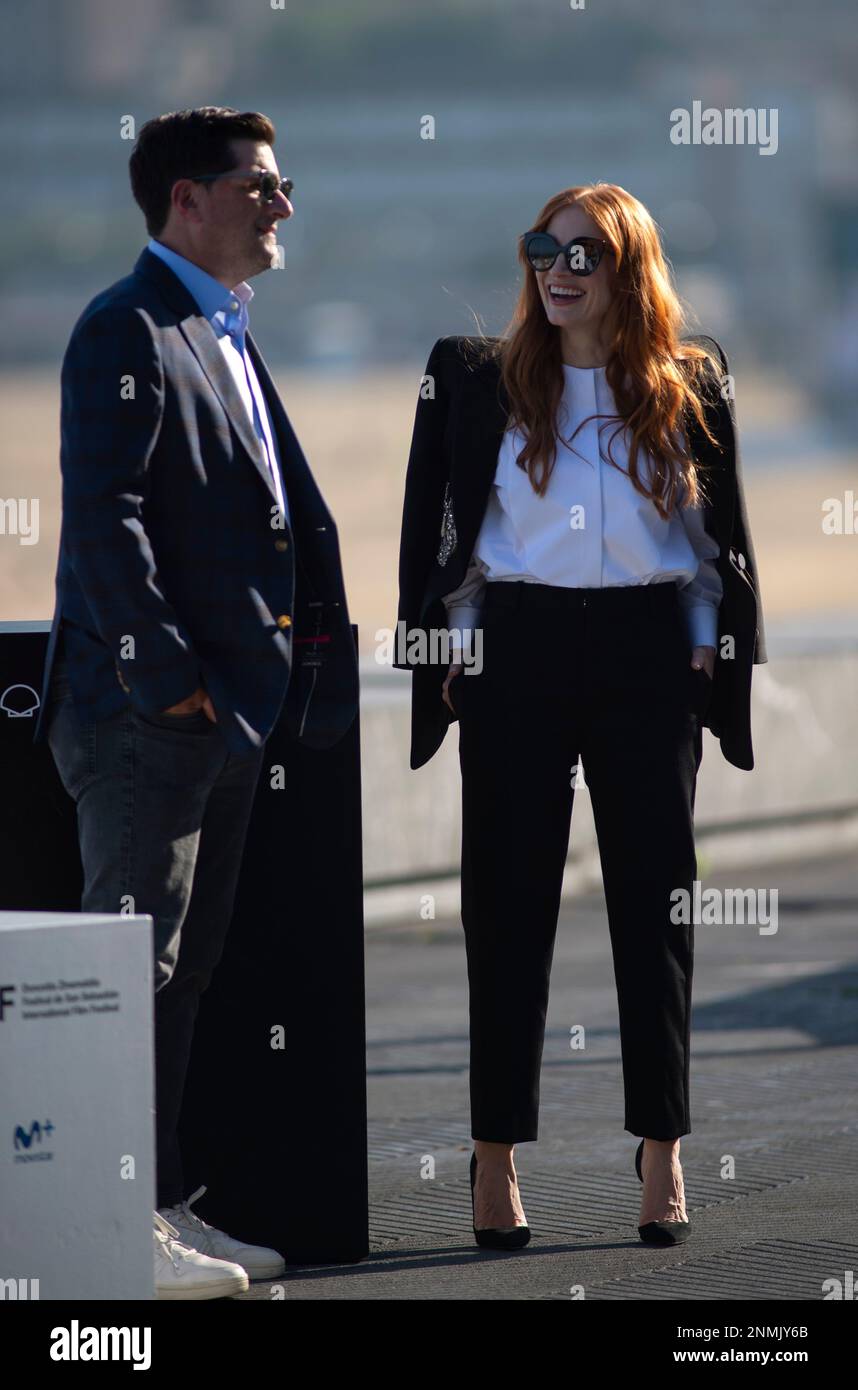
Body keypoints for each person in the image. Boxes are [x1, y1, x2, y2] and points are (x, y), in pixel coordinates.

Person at [396, 182, 766, 1250]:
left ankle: (662, 1147)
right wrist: (456, 644)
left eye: (583, 255)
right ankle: (496, 1154)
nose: (557, 271)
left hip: (651, 658)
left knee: (659, 910)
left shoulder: (689, 381)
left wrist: (703, 631)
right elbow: (446, 525)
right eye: (542, 250)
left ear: (628, 271)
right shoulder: (476, 376)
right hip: (517, 649)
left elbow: (717, 535)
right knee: (504, 908)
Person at [33, 106, 358, 1297]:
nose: (282, 204)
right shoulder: (125, 326)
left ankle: (159, 1204)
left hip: (220, 718)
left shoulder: (218, 328)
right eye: (260, 186)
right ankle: (109, 1231)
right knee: (126, 972)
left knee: (184, 969)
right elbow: (104, 516)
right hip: (148, 719)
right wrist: (168, 684)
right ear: (186, 200)